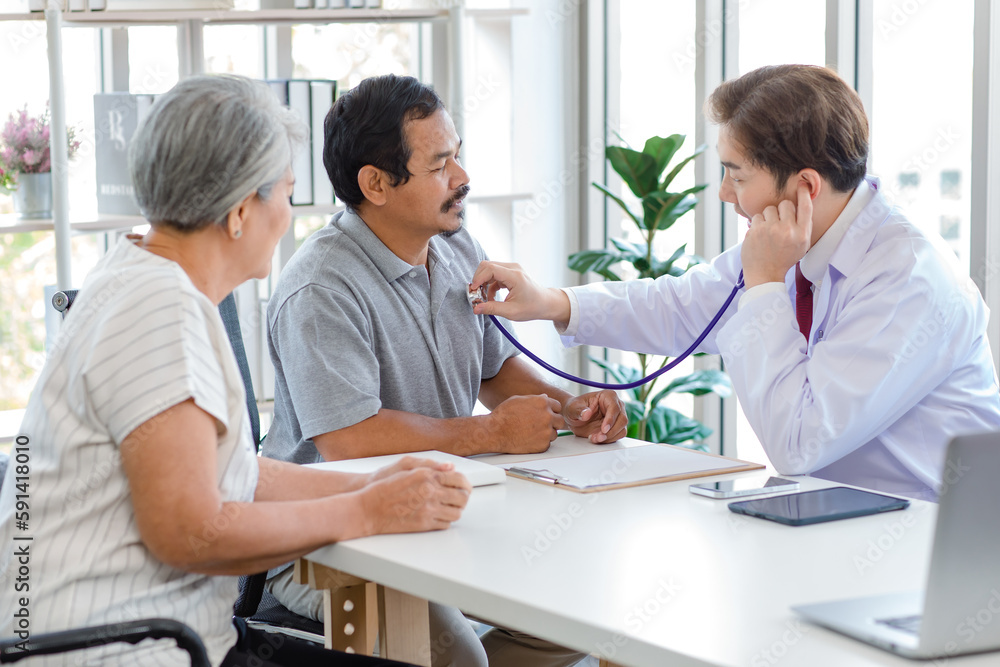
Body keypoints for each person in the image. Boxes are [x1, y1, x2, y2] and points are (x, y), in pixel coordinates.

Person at [0, 74, 471, 667]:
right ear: (240, 209)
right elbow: (191, 532)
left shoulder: (140, 276)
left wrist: (374, 482)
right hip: (124, 650)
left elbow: (231, 471)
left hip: (169, 634)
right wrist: (367, 510)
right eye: (286, 192)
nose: (289, 216)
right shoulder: (159, 315)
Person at [471, 64, 1000, 503]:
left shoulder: (909, 277)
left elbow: (799, 443)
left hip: (926, 552)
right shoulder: (799, 240)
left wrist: (766, 283)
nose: (725, 194)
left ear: (805, 186)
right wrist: (550, 303)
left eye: (737, 175)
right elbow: (682, 306)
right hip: (842, 528)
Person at [262, 74, 625, 667]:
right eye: (439, 165)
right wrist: (487, 434)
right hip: (328, 539)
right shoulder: (320, 288)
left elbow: (494, 368)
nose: (462, 179)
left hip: (442, 510)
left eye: (457, 156)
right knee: (457, 657)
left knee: (584, 613)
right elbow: (350, 440)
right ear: (376, 184)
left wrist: (572, 406)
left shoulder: (453, 245)